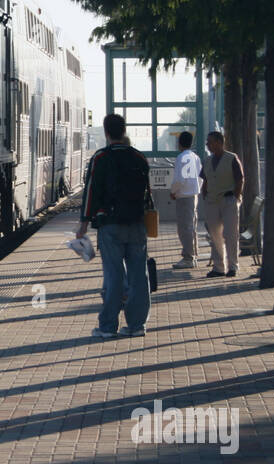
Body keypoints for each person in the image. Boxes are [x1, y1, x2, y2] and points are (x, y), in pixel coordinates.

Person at [76, 113, 151, 340]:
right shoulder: (139, 157)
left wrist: (84, 223)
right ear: (124, 130)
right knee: (139, 275)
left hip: (110, 225)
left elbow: (91, 192)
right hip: (137, 224)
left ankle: (108, 326)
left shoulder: (101, 158)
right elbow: (147, 193)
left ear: (107, 132)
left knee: (114, 276)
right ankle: (137, 325)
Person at [199, 130, 244, 278]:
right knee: (215, 235)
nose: (208, 145)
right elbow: (205, 180)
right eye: (207, 142)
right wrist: (204, 195)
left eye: (210, 142)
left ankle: (233, 266)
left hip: (228, 199)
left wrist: (235, 197)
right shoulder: (207, 160)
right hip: (212, 201)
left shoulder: (232, 158)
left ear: (219, 142)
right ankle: (218, 267)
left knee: (231, 234)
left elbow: (240, 179)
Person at [168, 131, 200, 269]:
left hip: (183, 196)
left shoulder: (181, 157)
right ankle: (193, 254)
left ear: (179, 143)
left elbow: (179, 179)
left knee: (184, 228)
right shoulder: (195, 157)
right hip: (193, 194)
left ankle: (188, 257)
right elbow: (201, 177)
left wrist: (173, 191)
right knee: (192, 227)